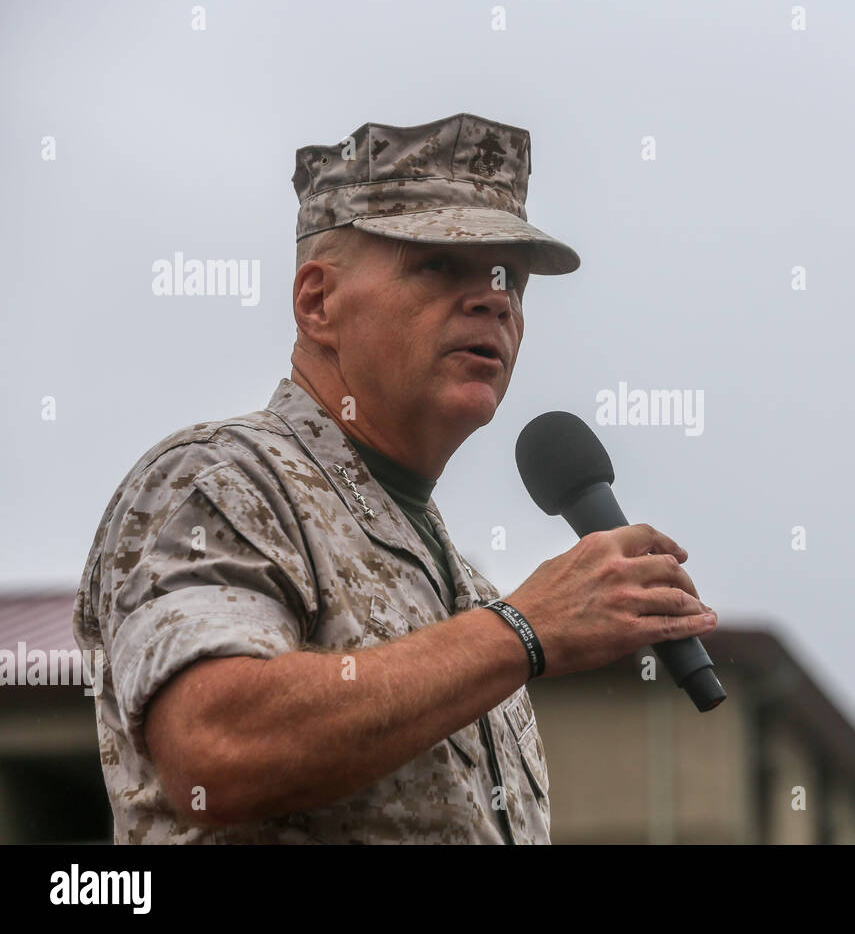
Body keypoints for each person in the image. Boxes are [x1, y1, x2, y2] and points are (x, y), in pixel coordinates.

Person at [72, 113, 718, 844]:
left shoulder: (468, 591)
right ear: (318, 301)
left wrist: (507, 628)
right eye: (439, 264)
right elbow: (214, 751)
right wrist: (523, 631)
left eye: (511, 280)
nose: (494, 300)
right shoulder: (220, 481)